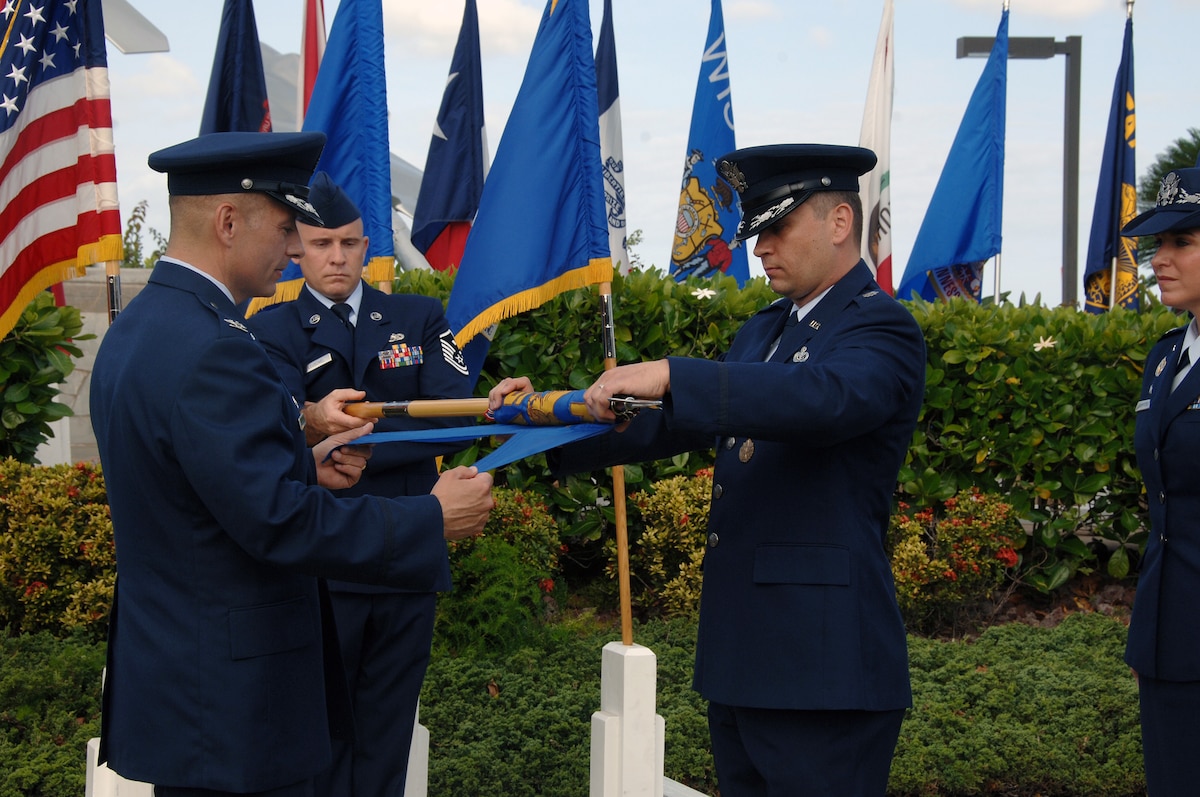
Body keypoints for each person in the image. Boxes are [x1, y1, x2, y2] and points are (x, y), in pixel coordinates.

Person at [492, 144, 926, 796]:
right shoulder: (763, 333)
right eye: (756, 232)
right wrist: (544, 418)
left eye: (777, 228)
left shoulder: (881, 330)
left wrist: (672, 372)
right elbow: (671, 421)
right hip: (745, 664)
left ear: (840, 222)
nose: (760, 248)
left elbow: (820, 400)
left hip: (825, 673)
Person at [89, 131, 494, 797]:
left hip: (184, 689)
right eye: (285, 226)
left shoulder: (139, 328)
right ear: (227, 221)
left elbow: (199, 491)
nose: (295, 245)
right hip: (233, 705)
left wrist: (304, 461)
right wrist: (430, 519)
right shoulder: (219, 347)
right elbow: (279, 524)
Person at [248, 172, 472, 797]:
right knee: (320, 735)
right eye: (322, 245)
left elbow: (456, 418)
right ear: (296, 248)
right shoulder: (270, 332)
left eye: (349, 243)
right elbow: (275, 433)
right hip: (323, 563)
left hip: (407, 562)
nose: (337, 258)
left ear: (368, 245)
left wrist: (358, 449)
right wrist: (387, 444)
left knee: (388, 735)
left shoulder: (420, 317)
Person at [1120, 164, 1200, 796]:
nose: (1160, 260)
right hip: (1171, 626)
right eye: (1158, 245)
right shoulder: (1166, 356)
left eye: (1182, 243)